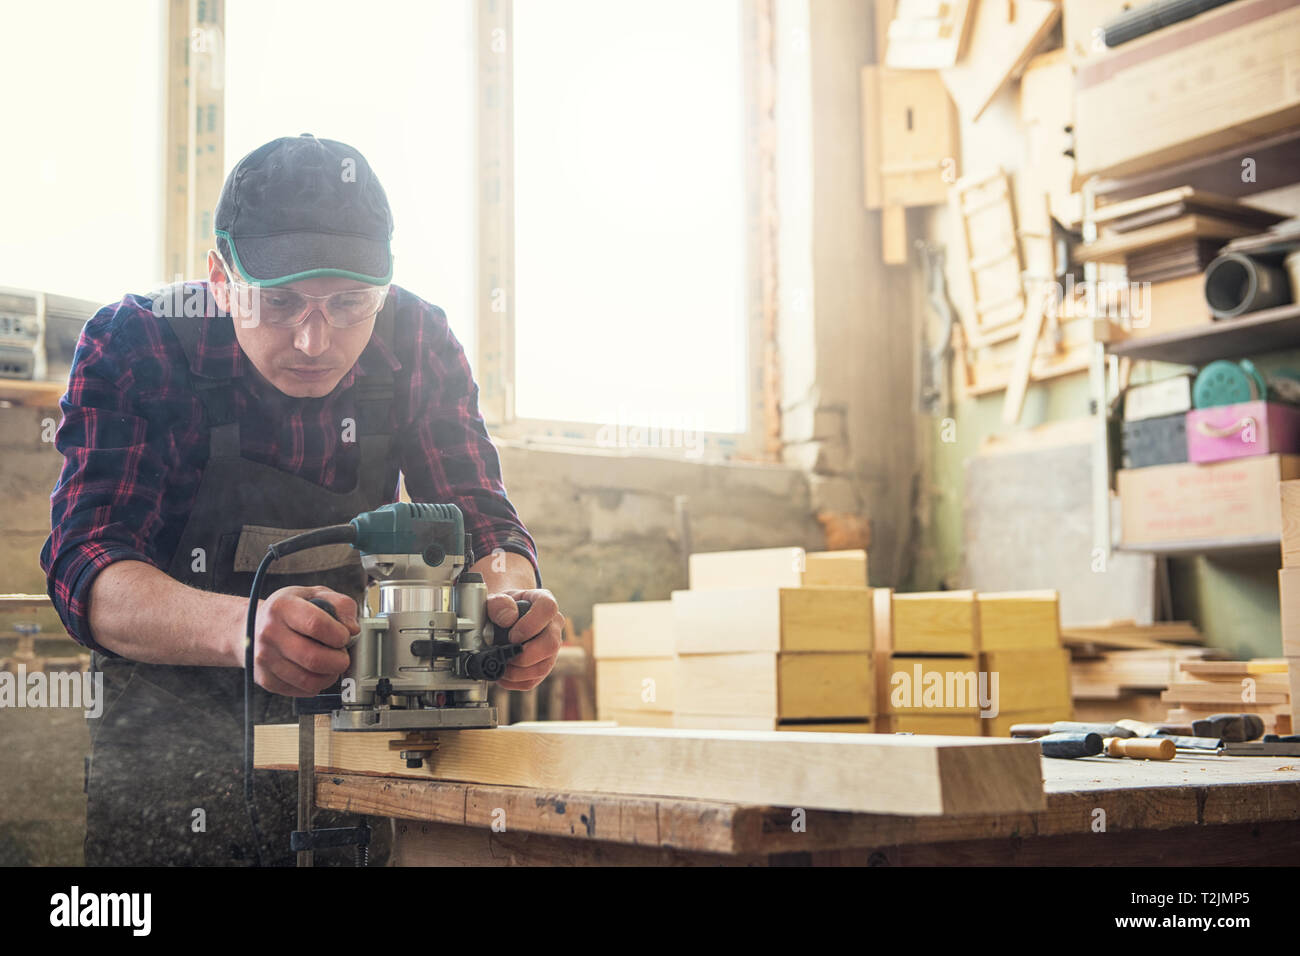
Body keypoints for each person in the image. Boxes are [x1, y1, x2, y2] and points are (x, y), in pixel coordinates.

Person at [40, 134, 563, 866]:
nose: (314, 340)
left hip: (350, 754)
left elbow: (482, 520)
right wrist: (243, 629)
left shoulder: (417, 340)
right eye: (279, 303)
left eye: (350, 304)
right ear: (220, 277)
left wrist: (513, 600)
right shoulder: (138, 342)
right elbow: (86, 568)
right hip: (167, 761)